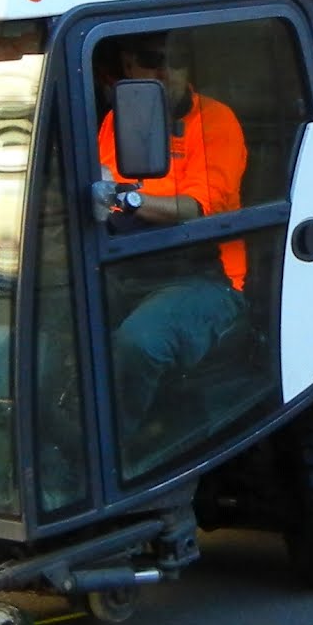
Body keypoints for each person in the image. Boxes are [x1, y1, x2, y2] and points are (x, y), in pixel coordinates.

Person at [97, 32, 248, 418]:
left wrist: (124, 198)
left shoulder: (215, 120)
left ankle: (122, 449)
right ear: (129, 66)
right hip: (125, 264)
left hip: (205, 277)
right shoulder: (116, 122)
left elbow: (196, 208)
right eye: (151, 60)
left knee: (139, 343)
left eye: (176, 60)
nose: (166, 71)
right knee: (55, 327)